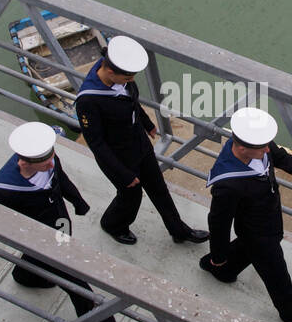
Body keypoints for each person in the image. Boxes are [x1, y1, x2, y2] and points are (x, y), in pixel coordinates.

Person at [0, 121, 127, 322]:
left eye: (52, 157)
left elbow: (60, 178)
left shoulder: (48, 161)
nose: (51, 163)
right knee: (80, 288)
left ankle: (25, 275)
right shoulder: (6, 189)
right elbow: (1, 222)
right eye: (46, 162)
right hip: (41, 240)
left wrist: (77, 202)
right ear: (23, 162)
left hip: (61, 226)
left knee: (39, 265)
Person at [199, 107, 292, 322]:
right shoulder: (228, 184)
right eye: (263, 148)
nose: (269, 149)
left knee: (243, 250)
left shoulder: (257, 145)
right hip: (259, 236)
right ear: (240, 147)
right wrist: (218, 254)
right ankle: (289, 313)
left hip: (267, 219)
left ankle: (220, 269)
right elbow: (218, 223)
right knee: (277, 274)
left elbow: (282, 158)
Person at [75, 35, 208, 246]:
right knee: (130, 196)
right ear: (110, 70)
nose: (131, 81)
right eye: (128, 78)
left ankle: (179, 230)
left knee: (159, 189)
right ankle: (113, 224)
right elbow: (97, 144)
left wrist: (147, 124)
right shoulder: (88, 100)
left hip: (139, 144)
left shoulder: (120, 79)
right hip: (118, 157)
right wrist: (124, 173)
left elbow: (132, 103)